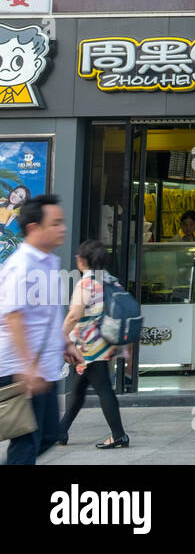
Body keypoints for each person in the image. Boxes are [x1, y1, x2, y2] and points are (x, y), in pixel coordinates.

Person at [0, 193, 76, 465]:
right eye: (55, 223)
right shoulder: (21, 265)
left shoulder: (48, 262)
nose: (62, 228)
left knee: (49, 435)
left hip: (43, 366)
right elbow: (13, 316)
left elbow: (47, 314)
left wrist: (64, 343)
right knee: (27, 440)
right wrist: (26, 368)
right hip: (20, 368)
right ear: (34, 228)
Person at [57, 239, 128, 449]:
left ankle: (119, 435)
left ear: (83, 260)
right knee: (79, 388)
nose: (76, 259)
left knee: (103, 388)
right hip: (105, 341)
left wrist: (60, 336)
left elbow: (74, 315)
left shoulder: (87, 282)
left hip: (89, 346)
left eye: (78, 256)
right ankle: (60, 431)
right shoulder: (109, 279)